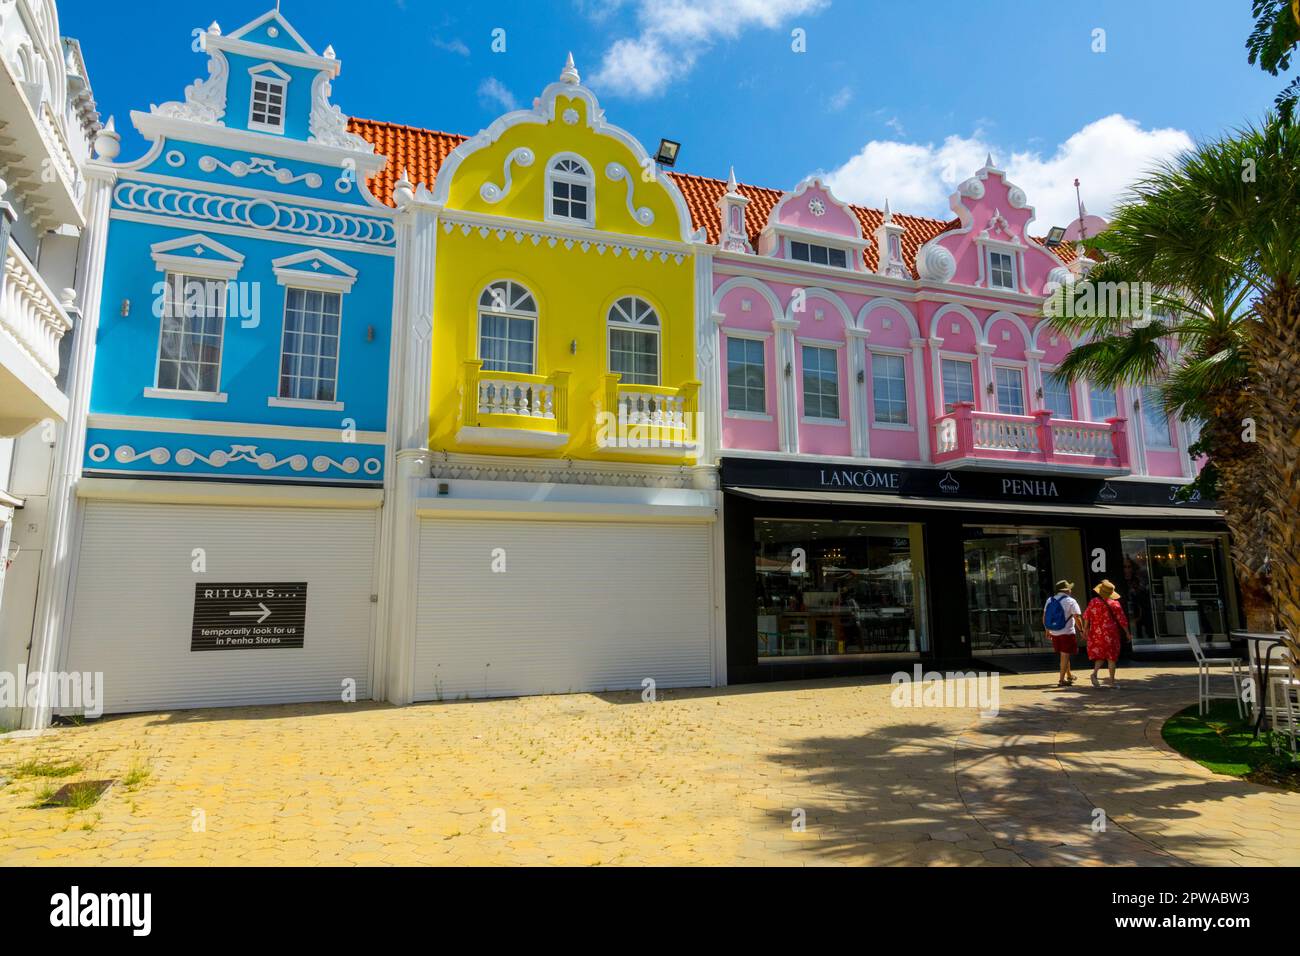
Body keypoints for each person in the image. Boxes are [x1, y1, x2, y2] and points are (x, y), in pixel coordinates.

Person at [1083, 579, 1130, 687]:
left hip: (1096, 633)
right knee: (1111, 657)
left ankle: (1094, 674)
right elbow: (1122, 620)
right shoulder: (1115, 604)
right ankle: (1112, 682)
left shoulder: (1093, 602)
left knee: (1100, 655)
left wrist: (1085, 629)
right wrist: (1127, 633)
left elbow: (1086, 616)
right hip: (1111, 634)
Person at [1043, 579, 1084, 687]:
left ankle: (1069, 675)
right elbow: (1077, 617)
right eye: (1069, 588)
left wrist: (1047, 630)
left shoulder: (1050, 600)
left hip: (1054, 632)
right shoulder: (1071, 601)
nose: (1071, 590)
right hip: (1067, 632)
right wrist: (1081, 630)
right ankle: (1061, 680)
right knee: (1065, 655)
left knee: (1064, 654)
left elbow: (1045, 617)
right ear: (1066, 590)